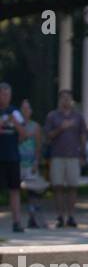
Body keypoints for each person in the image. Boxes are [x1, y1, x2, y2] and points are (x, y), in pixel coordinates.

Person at [44, 89, 87, 228]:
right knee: (58, 187)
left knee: (73, 187)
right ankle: (60, 217)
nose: (65, 101)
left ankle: (71, 216)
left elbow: (83, 136)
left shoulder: (78, 117)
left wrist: (83, 153)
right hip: (57, 156)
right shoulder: (52, 116)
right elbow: (48, 136)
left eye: (68, 98)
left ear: (72, 100)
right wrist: (61, 128)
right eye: (63, 98)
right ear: (59, 100)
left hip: (73, 156)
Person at [0, 83, 26, 233]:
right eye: (2, 94)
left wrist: (14, 122)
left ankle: (16, 222)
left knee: (14, 190)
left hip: (12, 157)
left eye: (7, 94)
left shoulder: (15, 112)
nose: (5, 97)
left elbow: (24, 135)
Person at [17, 99, 44, 229]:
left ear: (31, 111)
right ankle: (17, 221)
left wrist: (36, 162)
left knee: (32, 193)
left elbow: (38, 147)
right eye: (23, 108)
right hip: (17, 163)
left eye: (27, 108)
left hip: (30, 164)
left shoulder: (36, 126)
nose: (25, 111)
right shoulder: (15, 125)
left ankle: (32, 218)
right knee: (16, 192)